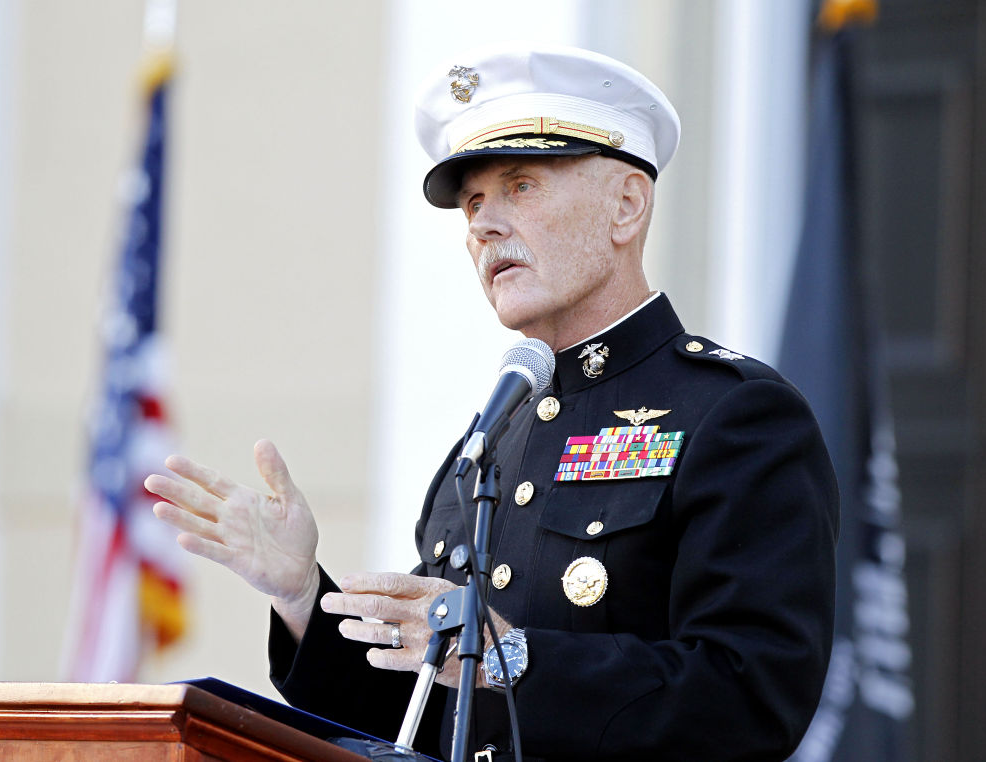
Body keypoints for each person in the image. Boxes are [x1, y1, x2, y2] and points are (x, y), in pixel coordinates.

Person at [145, 42, 839, 761]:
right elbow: (414, 707)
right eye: (474, 201)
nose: (483, 224)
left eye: (521, 186)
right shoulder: (490, 440)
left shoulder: (733, 415)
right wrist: (298, 598)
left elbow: (750, 699)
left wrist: (515, 660)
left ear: (626, 206)